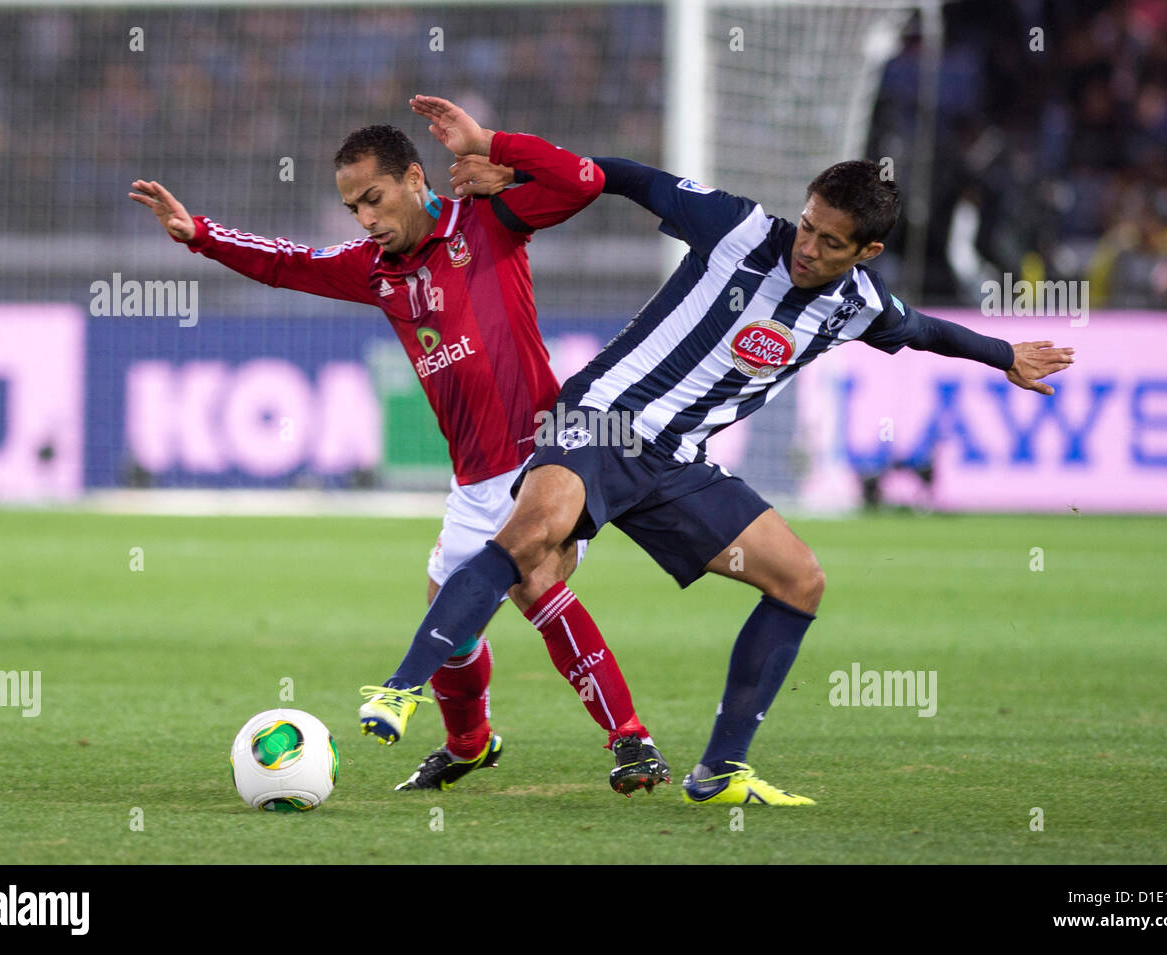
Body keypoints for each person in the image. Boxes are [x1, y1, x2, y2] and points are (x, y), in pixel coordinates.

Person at [366, 144, 1076, 805]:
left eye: (831, 242)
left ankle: (721, 769)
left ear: (867, 251)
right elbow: (627, 178)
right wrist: (508, 156)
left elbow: (923, 329)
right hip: (603, 419)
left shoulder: (857, 304)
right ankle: (401, 688)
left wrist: (1003, 353)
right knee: (531, 538)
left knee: (800, 580)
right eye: (807, 226)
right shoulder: (737, 229)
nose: (807, 247)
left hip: (678, 464)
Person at [129, 95, 670, 796]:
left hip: (548, 456)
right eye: (354, 206)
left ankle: (632, 740)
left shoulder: (490, 219)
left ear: (417, 179)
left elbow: (583, 182)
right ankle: (471, 742)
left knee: (536, 581)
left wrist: (499, 148)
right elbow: (288, 263)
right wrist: (200, 234)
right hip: (475, 479)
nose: (366, 219)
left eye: (375, 199)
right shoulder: (372, 269)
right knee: (446, 607)